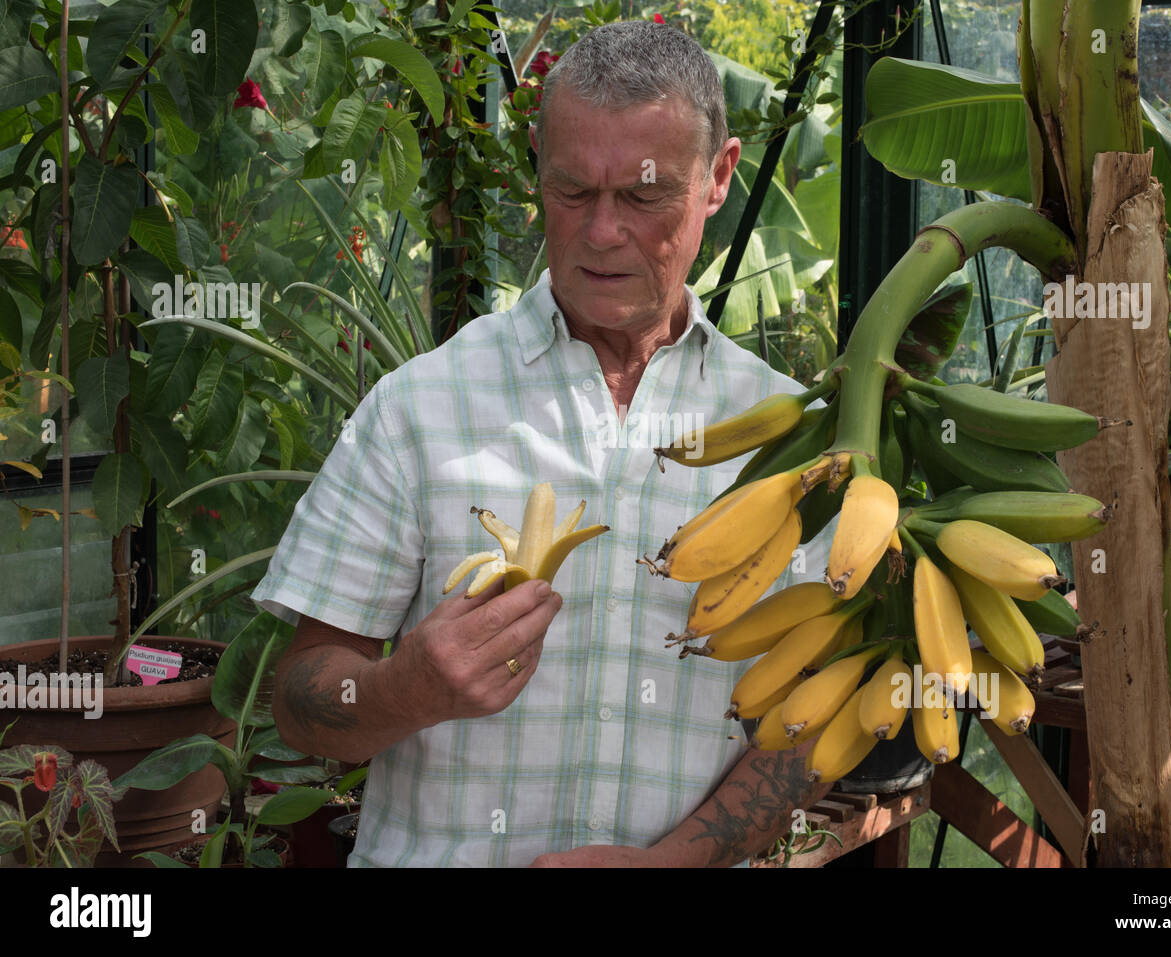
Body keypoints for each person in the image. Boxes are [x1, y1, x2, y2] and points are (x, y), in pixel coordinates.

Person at [252, 20, 837, 867]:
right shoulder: (421, 409)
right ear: (538, 166)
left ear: (718, 177)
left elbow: (810, 714)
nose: (602, 233)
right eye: (571, 192)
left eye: (642, 196)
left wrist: (676, 862)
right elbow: (300, 698)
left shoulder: (782, 435)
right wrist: (399, 689)